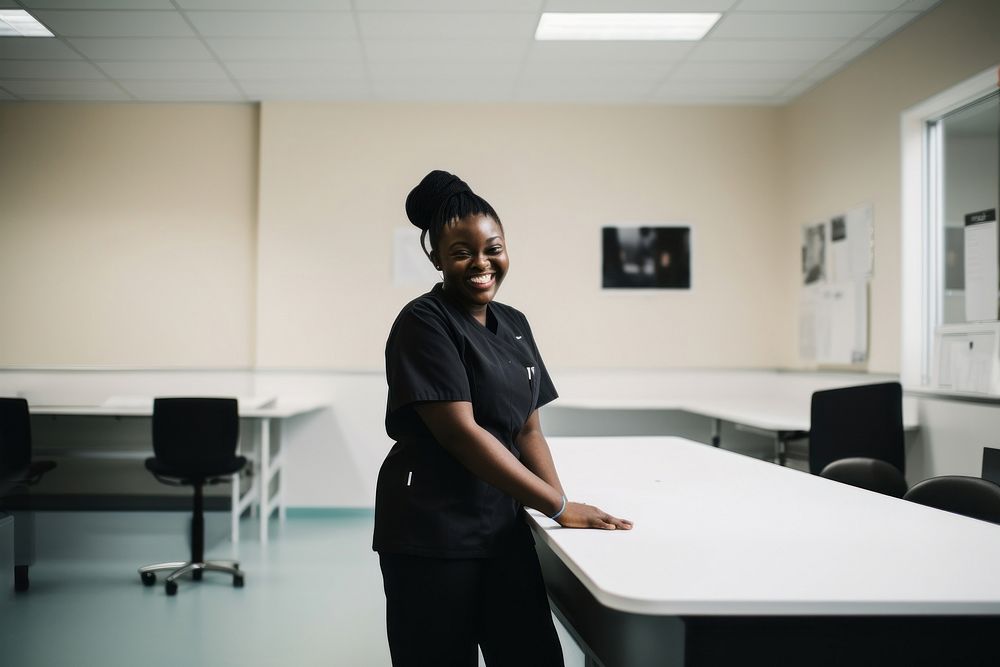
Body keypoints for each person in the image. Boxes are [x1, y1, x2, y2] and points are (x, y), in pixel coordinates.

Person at [374, 170, 632, 666]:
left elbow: (527, 426)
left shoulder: (514, 323)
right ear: (435, 257)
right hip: (433, 532)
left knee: (530, 654)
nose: (481, 263)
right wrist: (558, 506)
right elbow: (463, 435)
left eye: (493, 247)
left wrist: (555, 507)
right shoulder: (423, 323)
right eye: (461, 251)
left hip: (502, 525)